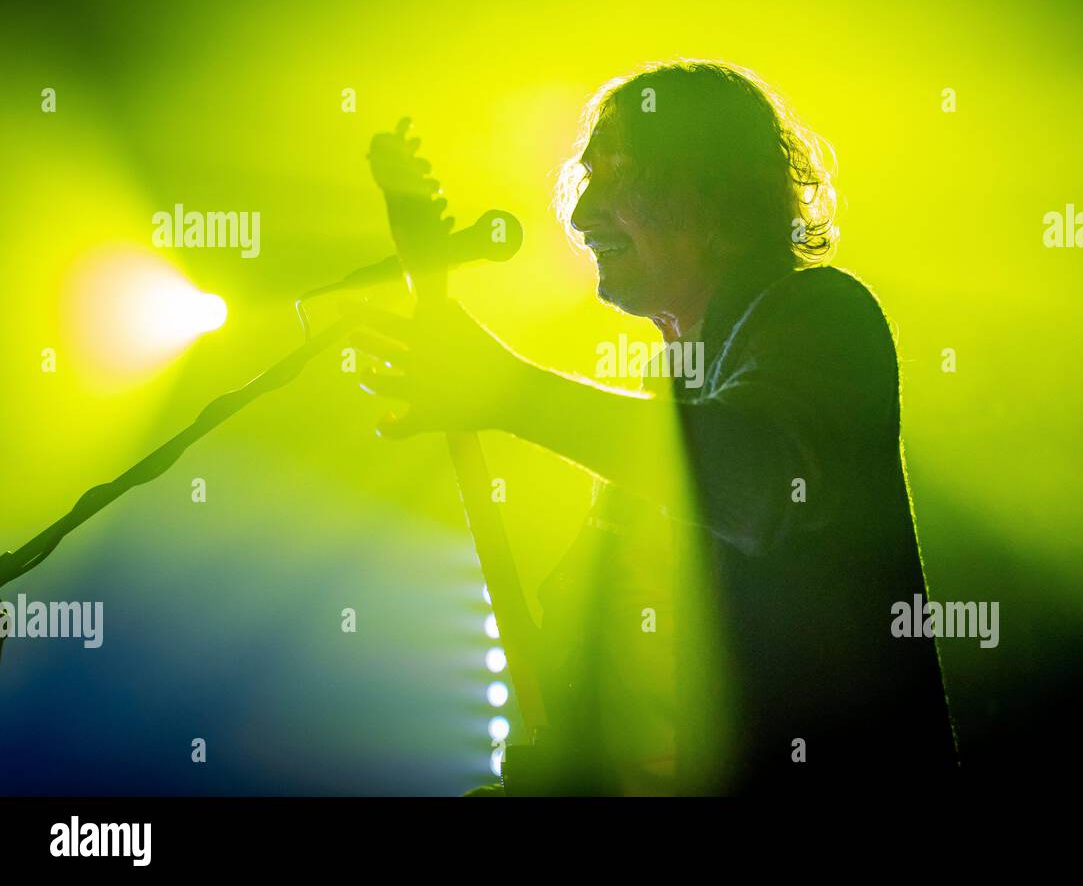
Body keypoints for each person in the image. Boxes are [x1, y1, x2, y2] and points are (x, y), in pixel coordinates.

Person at [351, 60, 957, 795]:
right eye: (587, 180)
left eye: (619, 175)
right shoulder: (668, 390)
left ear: (712, 190)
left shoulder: (823, 313)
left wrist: (510, 392)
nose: (580, 217)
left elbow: (759, 481)